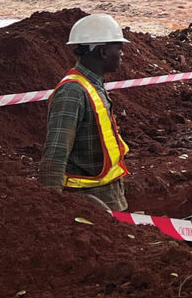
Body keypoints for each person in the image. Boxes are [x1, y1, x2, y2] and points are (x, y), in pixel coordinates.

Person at [40, 14, 133, 211]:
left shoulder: (92, 85)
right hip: (86, 200)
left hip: (107, 192)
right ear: (102, 52)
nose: (122, 54)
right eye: (118, 48)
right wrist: (51, 204)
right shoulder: (72, 92)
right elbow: (56, 152)